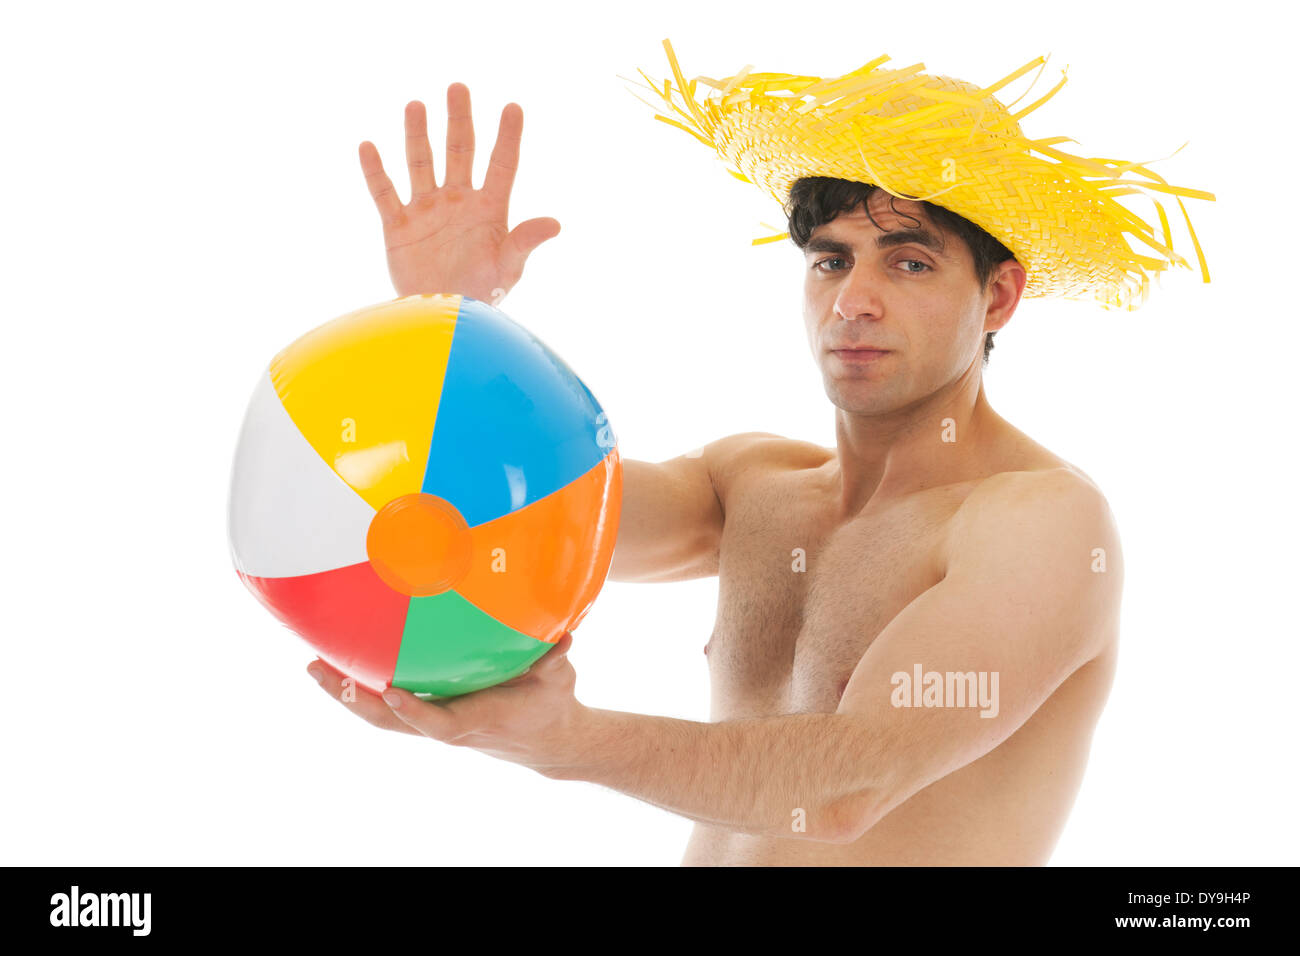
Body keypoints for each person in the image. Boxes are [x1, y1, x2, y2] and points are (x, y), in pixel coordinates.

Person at [310, 45, 1211, 864]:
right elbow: (516, 519)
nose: (853, 302)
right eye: (830, 261)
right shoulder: (751, 486)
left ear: (1000, 295)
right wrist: (454, 319)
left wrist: (566, 740)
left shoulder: (1041, 520)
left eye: (908, 264)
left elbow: (849, 782)